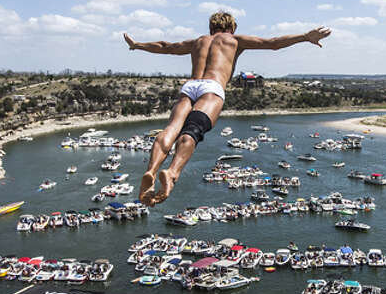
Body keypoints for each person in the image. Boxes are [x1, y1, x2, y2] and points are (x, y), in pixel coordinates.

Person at [125, 12, 330, 205]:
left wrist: (137, 45)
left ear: (210, 27)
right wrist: (304, 36)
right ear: (232, 27)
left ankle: (151, 171)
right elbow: (273, 43)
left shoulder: (198, 41)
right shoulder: (235, 40)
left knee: (171, 129)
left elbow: (165, 46)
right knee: (192, 131)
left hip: (190, 86)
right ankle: (172, 173)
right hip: (212, 87)